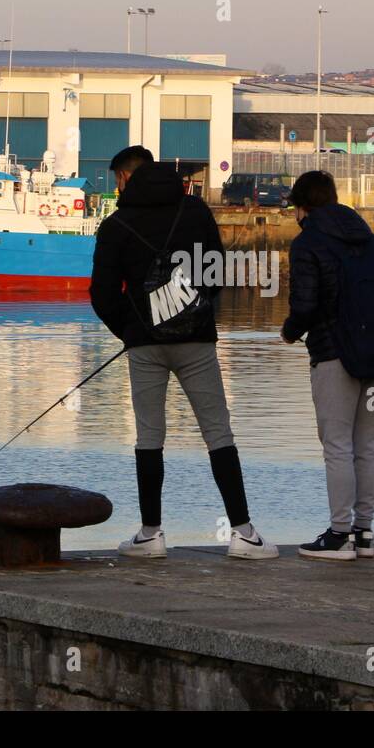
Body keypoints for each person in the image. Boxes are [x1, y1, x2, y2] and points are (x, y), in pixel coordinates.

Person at [90, 146, 278, 560]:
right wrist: (194, 310)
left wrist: (133, 329)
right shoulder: (193, 211)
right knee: (218, 434)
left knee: (149, 437)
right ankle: (244, 533)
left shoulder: (116, 224)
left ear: (124, 177)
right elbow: (215, 270)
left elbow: (102, 295)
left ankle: (151, 534)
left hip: (145, 346)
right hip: (196, 340)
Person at [281, 170, 374, 561]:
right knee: (366, 443)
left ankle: (338, 536)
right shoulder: (369, 240)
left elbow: (306, 304)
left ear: (302, 207)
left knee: (336, 444)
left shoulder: (308, 243)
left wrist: (289, 332)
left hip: (334, 354)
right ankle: (363, 533)